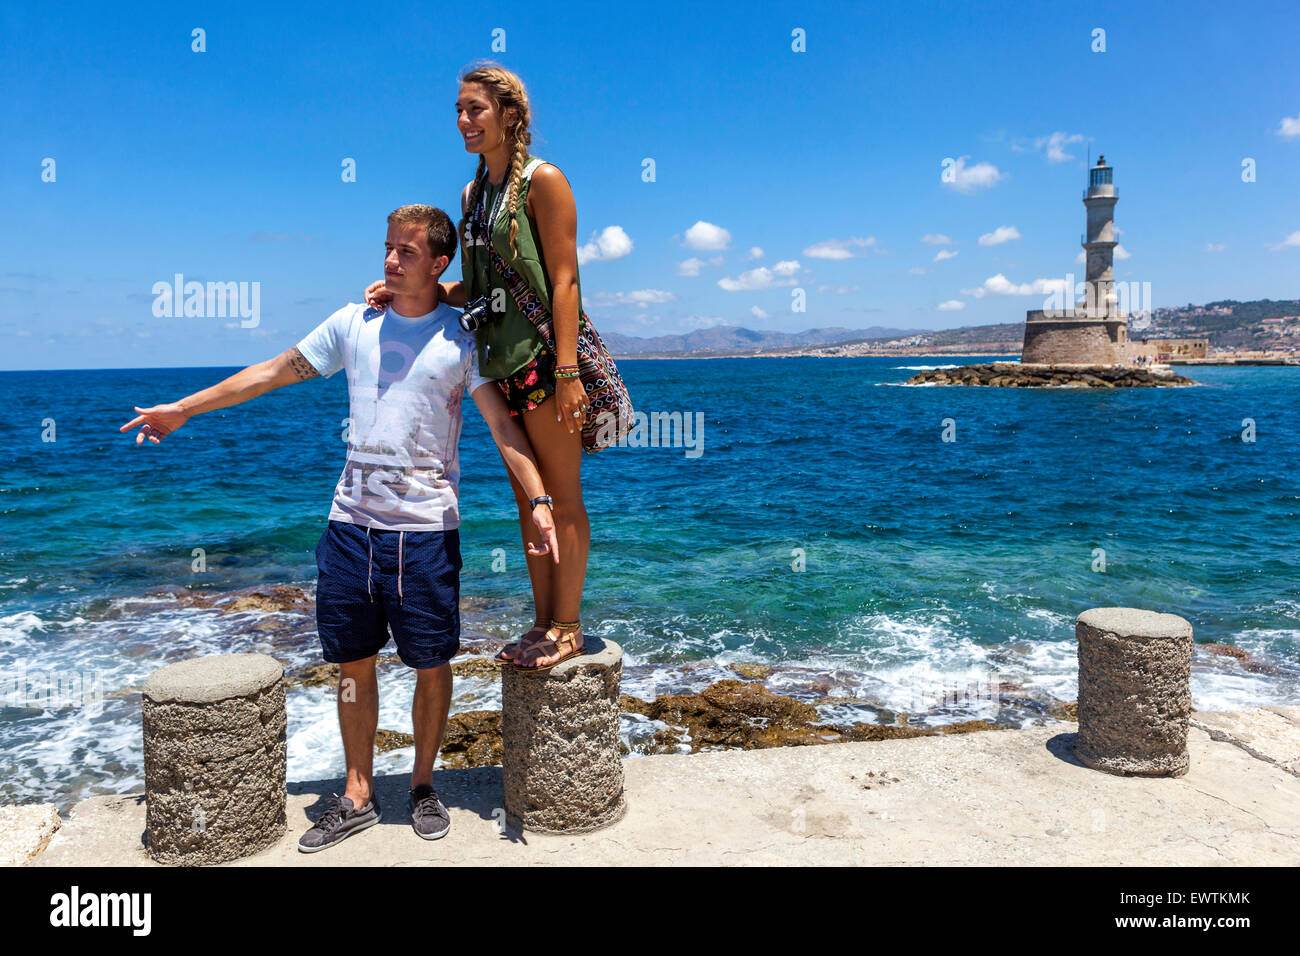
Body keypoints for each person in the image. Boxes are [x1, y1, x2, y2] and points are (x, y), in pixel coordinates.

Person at [121, 204, 558, 853]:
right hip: (349, 526)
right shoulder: (353, 323)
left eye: (406, 252)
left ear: (438, 263)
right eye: (387, 248)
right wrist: (183, 409)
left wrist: (541, 500)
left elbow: (502, 426)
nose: (389, 261)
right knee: (353, 664)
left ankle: (420, 784)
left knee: (431, 663)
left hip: (425, 533)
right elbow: (271, 372)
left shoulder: (460, 340)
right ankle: (356, 793)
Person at [367, 63, 609, 672]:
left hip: (545, 365)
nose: (464, 121)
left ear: (509, 115)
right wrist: (409, 291)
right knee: (532, 502)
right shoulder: (475, 197)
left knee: (563, 496)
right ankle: (541, 621)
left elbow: (564, 278)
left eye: (475, 109)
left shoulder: (542, 182)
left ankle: (569, 626)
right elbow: (473, 289)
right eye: (458, 110)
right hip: (499, 367)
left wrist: (567, 370)